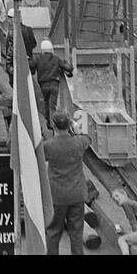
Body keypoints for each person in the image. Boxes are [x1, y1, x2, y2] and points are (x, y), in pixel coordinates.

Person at [43, 111, 89, 256]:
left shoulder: (48, 146)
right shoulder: (79, 143)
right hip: (77, 195)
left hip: (57, 196)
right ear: (69, 125)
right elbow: (88, 138)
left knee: (53, 232)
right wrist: (76, 128)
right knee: (76, 233)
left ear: (53, 126)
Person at [33, 39, 65, 118]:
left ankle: (47, 122)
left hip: (43, 85)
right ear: (51, 49)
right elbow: (67, 67)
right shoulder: (56, 58)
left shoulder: (38, 58)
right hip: (54, 85)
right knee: (52, 106)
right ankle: (53, 125)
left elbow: (31, 65)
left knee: (46, 103)